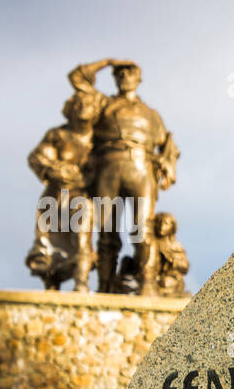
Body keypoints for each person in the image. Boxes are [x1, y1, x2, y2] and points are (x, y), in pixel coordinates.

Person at [68, 58, 179, 294]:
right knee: (107, 231)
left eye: (130, 73)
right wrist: (107, 62)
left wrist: (169, 165)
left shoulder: (151, 115)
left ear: (139, 79)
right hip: (108, 165)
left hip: (142, 167)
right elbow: (77, 78)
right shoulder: (103, 104)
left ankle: (148, 283)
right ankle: (105, 285)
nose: (124, 77)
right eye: (119, 74)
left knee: (143, 229)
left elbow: (168, 145)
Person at [24, 91, 101, 291]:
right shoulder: (57, 135)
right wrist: (53, 169)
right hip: (56, 195)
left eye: (88, 105)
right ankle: (51, 280)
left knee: (82, 236)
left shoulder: (100, 138)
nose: (82, 109)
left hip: (82, 195)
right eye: (78, 104)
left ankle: (81, 281)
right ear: (70, 109)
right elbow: (36, 158)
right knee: (50, 245)